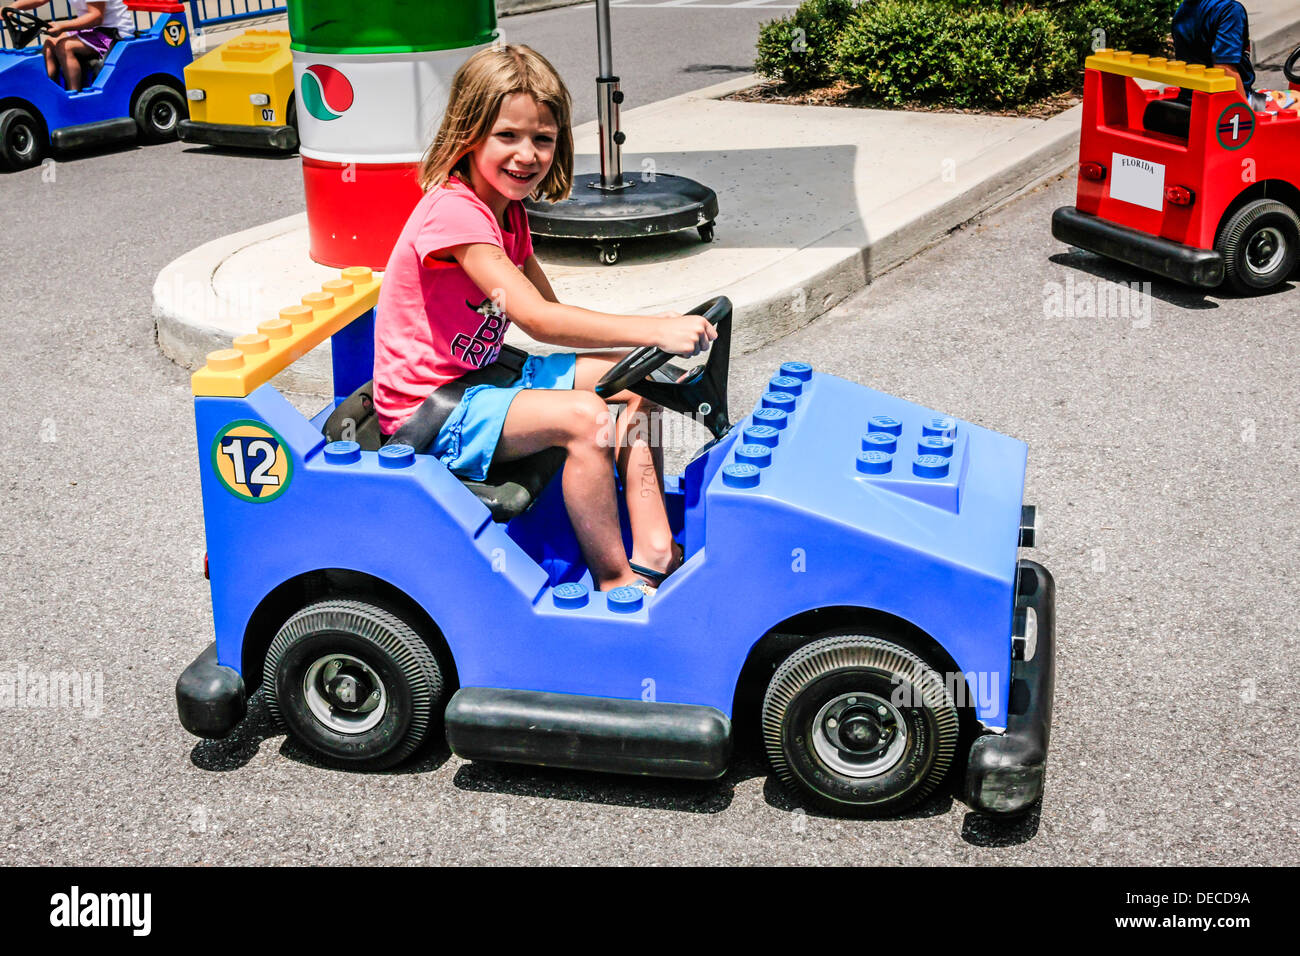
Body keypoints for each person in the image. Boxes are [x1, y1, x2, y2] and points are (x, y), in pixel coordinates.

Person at [374, 43, 715, 594]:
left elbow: (553, 312)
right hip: (433, 409)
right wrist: (654, 327)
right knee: (587, 420)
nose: (526, 154)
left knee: (630, 381)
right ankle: (616, 584)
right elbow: (536, 319)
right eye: (507, 136)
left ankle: (656, 548)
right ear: (468, 134)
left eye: (542, 139)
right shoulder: (454, 212)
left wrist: (638, 348)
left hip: (486, 380)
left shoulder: (506, 210)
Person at [7, 0, 132, 92]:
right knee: (50, 42)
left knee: (65, 46)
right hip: (90, 30)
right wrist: (12, 7)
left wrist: (62, 26)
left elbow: (96, 17)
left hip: (112, 31)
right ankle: (47, 90)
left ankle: (74, 94)